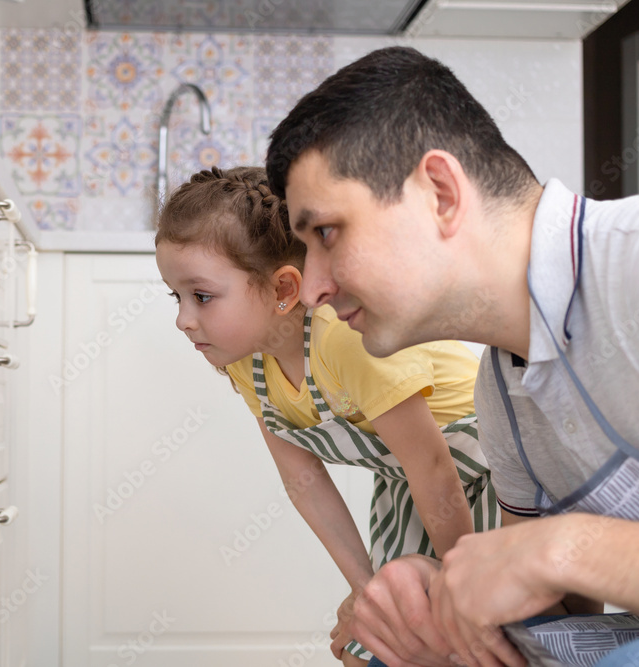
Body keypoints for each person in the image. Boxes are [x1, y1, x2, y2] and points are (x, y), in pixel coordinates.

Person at [265, 45, 639, 667]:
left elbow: (558, 561)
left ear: (440, 192)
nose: (312, 289)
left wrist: (564, 546)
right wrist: (442, 600)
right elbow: (556, 619)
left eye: (327, 234)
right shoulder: (503, 395)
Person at [154, 165, 501, 665]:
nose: (184, 319)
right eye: (177, 297)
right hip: (412, 487)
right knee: (368, 646)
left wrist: (458, 592)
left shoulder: (347, 336)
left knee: (476, 637)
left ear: (283, 290)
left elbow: (432, 466)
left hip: (486, 475)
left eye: (202, 296)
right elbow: (305, 483)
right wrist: (366, 593)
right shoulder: (247, 361)